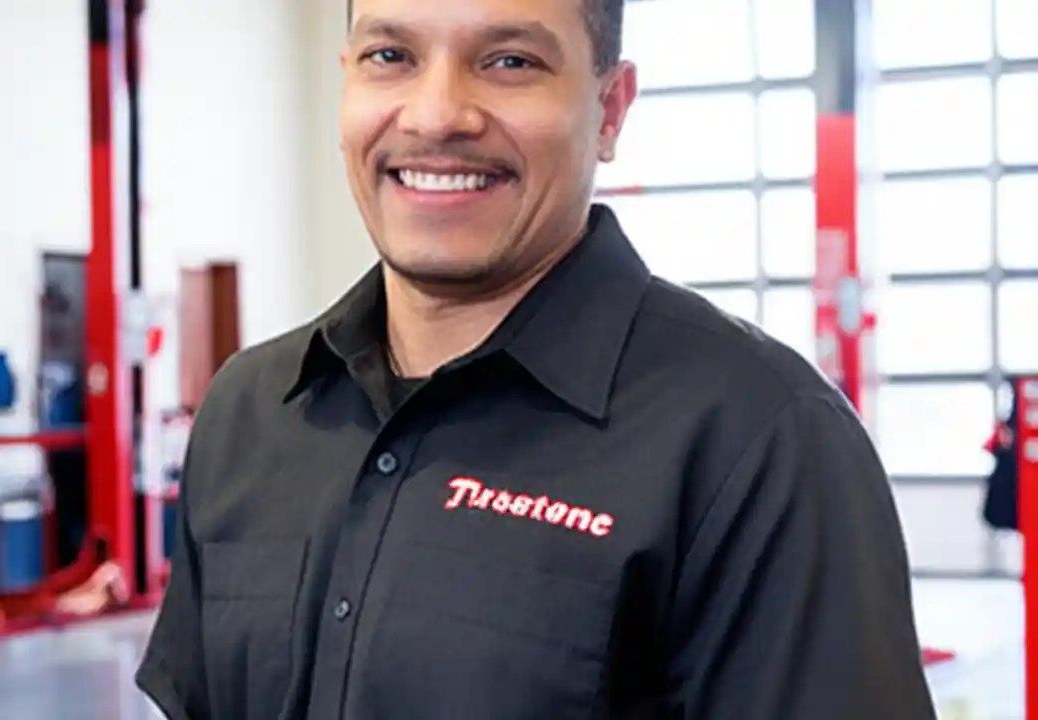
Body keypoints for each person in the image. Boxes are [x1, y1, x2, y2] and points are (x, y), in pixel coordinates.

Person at [136, 0, 937, 717]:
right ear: (347, 80)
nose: (437, 115)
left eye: (510, 61)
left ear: (609, 110)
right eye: (391, 56)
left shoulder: (759, 440)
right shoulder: (251, 411)